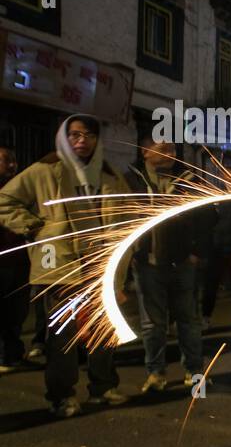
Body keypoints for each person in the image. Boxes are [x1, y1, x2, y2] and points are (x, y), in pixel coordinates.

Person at [0, 114, 132, 416]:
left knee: (102, 330)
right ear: (64, 137)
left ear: (97, 139)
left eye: (88, 135)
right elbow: (4, 202)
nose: (81, 141)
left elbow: (125, 218)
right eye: (74, 135)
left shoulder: (110, 175)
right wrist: (35, 227)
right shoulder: (45, 170)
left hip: (99, 265)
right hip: (60, 265)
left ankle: (103, 387)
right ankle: (61, 395)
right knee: (63, 336)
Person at [126, 135, 208, 392]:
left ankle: (194, 371)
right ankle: (156, 373)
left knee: (188, 320)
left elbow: (206, 217)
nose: (169, 153)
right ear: (145, 153)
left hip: (183, 262)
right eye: (162, 149)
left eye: (172, 149)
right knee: (152, 323)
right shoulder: (131, 180)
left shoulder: (189, 180)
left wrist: (196, 251)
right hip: (148, 262)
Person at [0, 145, 29, 373]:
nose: (11, 165)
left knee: (17, 310)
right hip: (3, 260)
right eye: (5, 160)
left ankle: (13, 353)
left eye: (13, 160)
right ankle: (3, 356)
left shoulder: (19, 189)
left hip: (19, 258)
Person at [202, 198, 231, 333]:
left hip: (221, 248)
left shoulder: (217, 206)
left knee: (214, 285)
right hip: (226, 248)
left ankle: (206, 317)